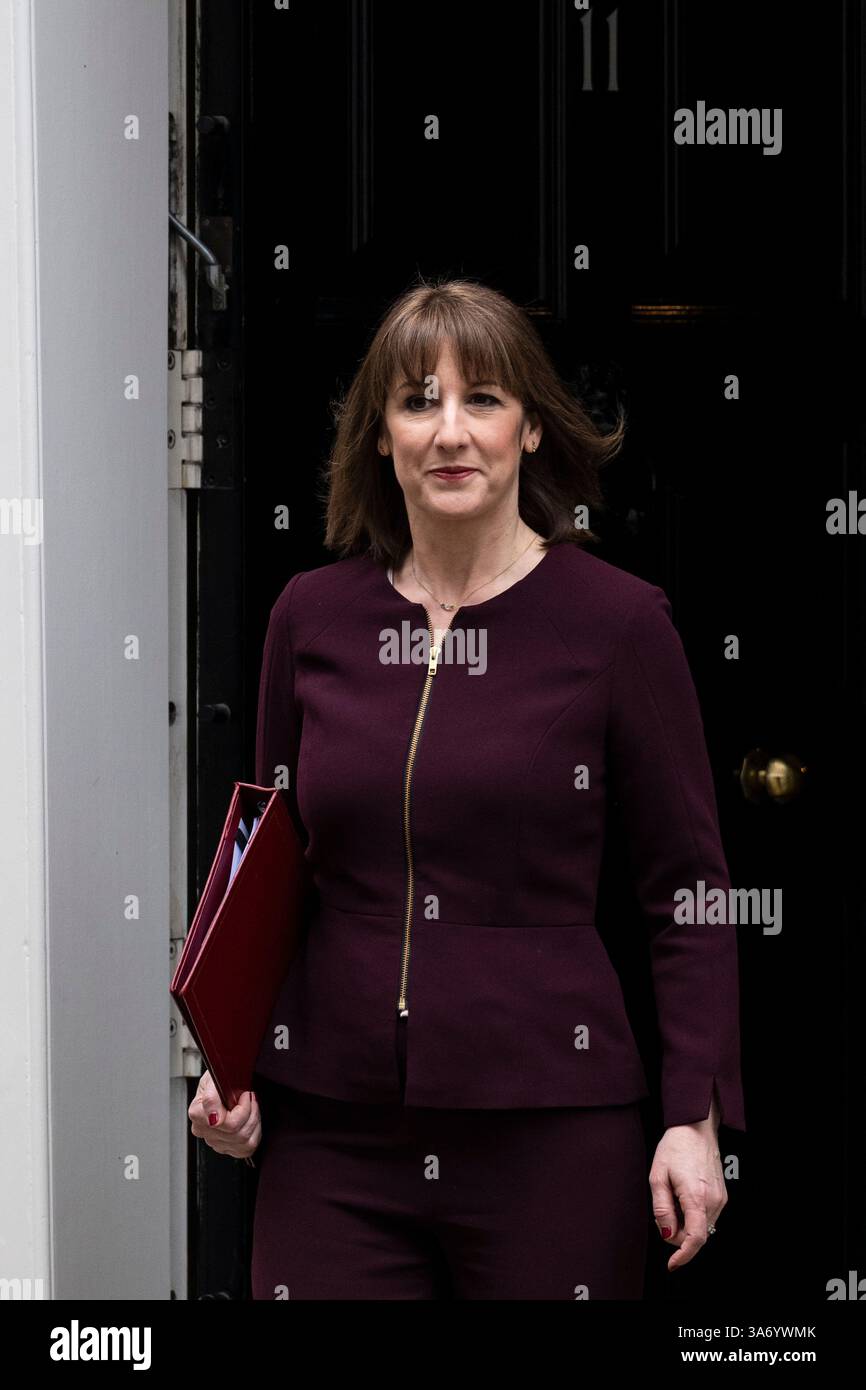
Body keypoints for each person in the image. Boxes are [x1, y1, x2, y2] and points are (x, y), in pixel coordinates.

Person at [188, 276, 746, 1300]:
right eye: (417, 400)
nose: (450, 430)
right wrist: (235, 1062)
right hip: (333, 1133)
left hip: (548, 1126)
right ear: (379, 435)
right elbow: (266, 866)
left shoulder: (617, 624)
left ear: (530, 429)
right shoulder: (309, 618)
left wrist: (691, 1115)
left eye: (482, 399)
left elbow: (686, 889)